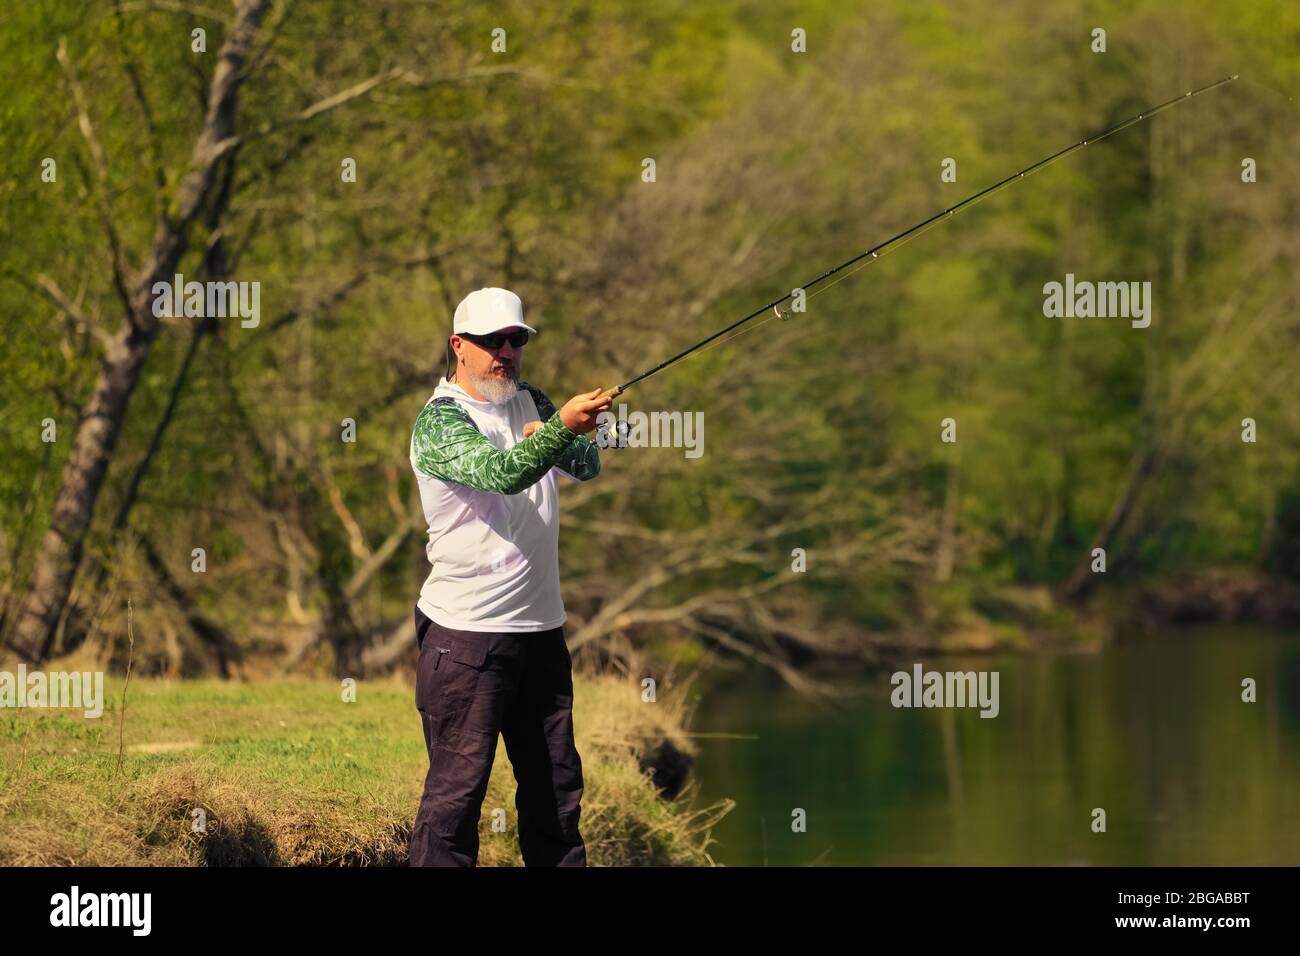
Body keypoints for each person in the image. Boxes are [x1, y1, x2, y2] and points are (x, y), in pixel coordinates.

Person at [407, 286, 613, 866]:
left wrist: (577, 429)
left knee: (556, 793)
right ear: (459, 346)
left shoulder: (533, 400)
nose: (506, 351)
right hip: (466, 637)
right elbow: (500, 474)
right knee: (455, 800)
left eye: (515, 339)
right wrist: (553, 433)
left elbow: (586, 468)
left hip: (542, 631)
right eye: (491, 340)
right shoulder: (440, 421)